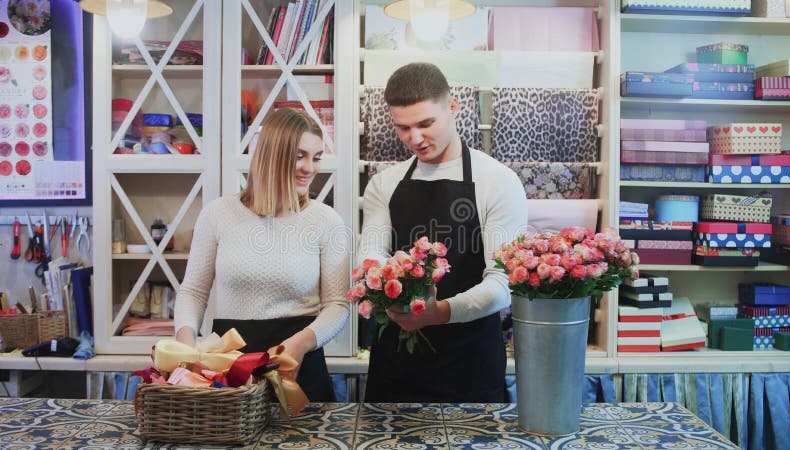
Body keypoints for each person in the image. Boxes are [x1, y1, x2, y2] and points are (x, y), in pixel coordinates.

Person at [359, 62, 528, 402]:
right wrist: (379, 285)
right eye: (403, 128)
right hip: (395, 367)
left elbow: (501, 285)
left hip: (470, 366)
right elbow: (371, 257)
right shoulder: (383, 183)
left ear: (453, 107)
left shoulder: (498, 182)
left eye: (426, 123)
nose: (415, 138)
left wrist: (438, 313)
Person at [174, 108, 350, 401]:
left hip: (297, 367)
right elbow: (193, 291)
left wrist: (300, 344)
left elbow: (338, 305)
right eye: (299, 156)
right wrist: (185, 349)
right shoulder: (218, 214)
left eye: (316, 157)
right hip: (227, 372)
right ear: (271, 155)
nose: (310, 167)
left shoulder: (326, 221)